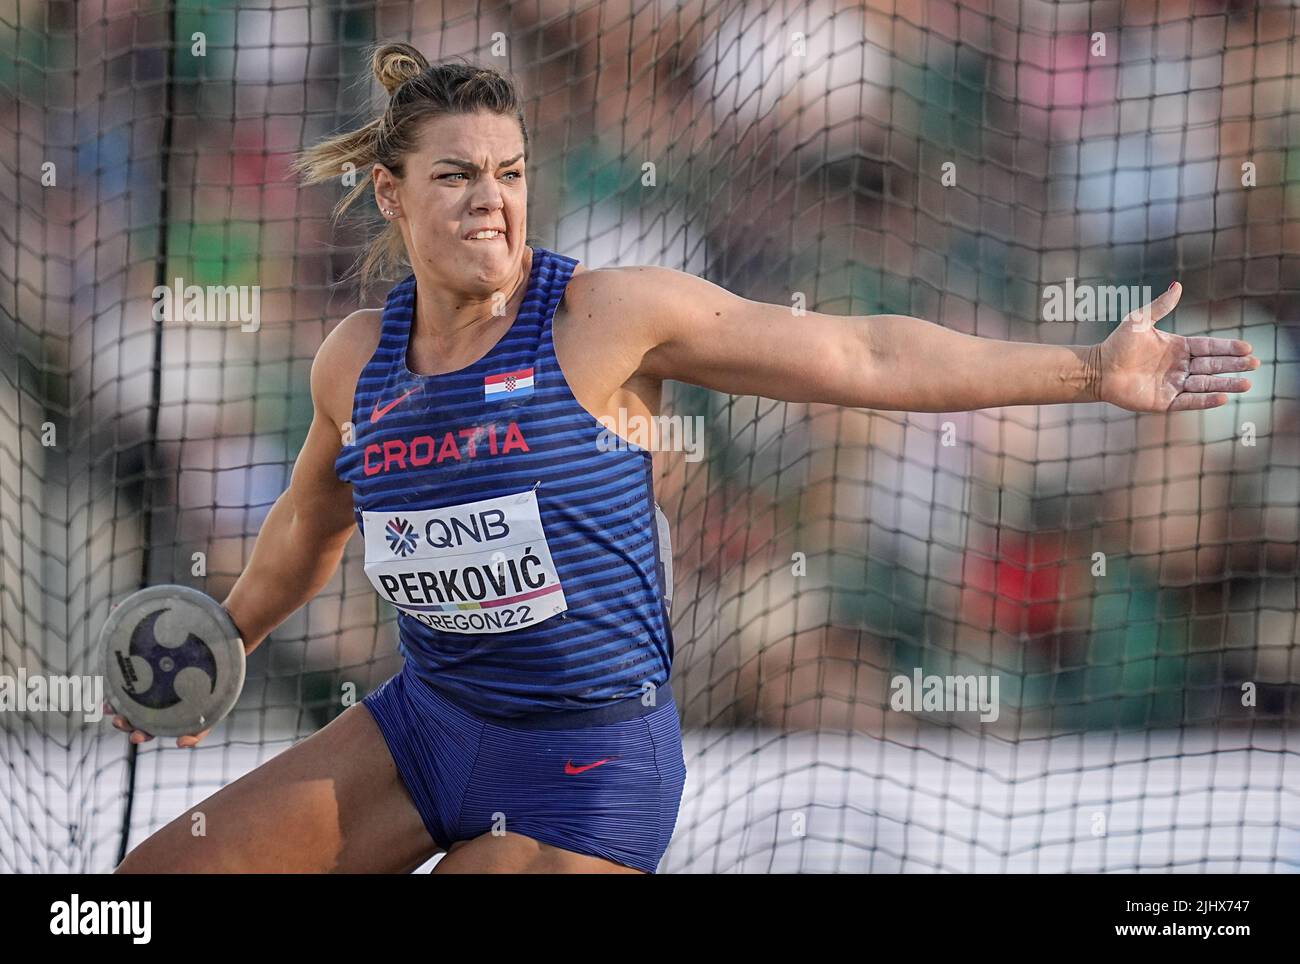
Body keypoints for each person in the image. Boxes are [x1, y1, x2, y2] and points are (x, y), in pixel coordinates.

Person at [113, 43, 1258, 874]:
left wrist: (1089, 371)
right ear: (390, 192)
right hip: (424, 725)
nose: (492, 200)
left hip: (583, 764)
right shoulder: (353, 360)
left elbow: (860, 353)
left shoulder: (607, 317)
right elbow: (309, 532)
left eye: (510, 173)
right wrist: (224, 643)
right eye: (458, 174)